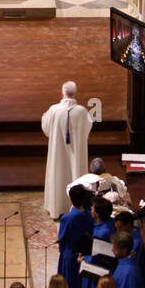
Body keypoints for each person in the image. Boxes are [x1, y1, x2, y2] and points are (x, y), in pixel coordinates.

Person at [41, 82, 96, 219]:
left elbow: (46, 128)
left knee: (57, 174)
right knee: (76, 174)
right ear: (75, 93)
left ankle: (56, 209)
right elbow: (87, 129)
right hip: (75, 153)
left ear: (62, 94)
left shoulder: (53, 110)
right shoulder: (82, 111)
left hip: (58, 153)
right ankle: (77, 208)